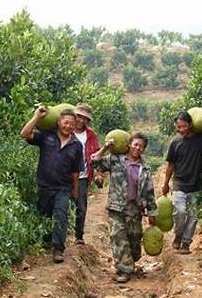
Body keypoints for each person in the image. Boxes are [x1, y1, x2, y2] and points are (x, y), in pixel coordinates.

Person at [91, 132, 158, 283]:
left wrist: (152, 211)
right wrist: (106, 147)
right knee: (118, 237)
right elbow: (95, 160)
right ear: (129, 145)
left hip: (136, 210)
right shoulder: (116, 160)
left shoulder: (145, 168)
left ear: (144, 149)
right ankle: (123, 270)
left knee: (134, 241)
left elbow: (149, 192)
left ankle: (130, 262)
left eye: (141, 146)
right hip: (117, 207)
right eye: (135, 144)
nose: (138, 148)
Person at [20, 106, 83, 263]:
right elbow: (25, 134)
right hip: (44, 185)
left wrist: (75, 191)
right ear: (59, 122)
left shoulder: (76, 145)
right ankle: (46, 242)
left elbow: (76, 171)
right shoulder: (46, 137)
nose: (68, 126)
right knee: (44, 215)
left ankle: (58, 249)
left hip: (63, 188)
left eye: (71, 124)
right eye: (65, 122)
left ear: (75, 126)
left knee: (61, 216)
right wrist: (37, 117)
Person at [162, 111, 202, 254]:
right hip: (179, 184)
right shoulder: (175, 143)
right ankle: (178, 236)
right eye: (178, 127)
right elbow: (171, 165)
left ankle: (186, 243)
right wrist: (166, 183)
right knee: (180, 212)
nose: (181, 130)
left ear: (191, 124)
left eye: (184, 126)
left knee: (193, 217)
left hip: (196, 185)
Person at [72, 103, 102, 245]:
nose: (81, 120)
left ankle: (78, 236)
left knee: (81, 207)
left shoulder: (91, 135)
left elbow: (97, 154)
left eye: (85, 118)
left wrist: (99, 173)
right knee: (62, 206)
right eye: (79, 116)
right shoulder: (66, 130)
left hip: (83, 176)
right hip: (64, 176)